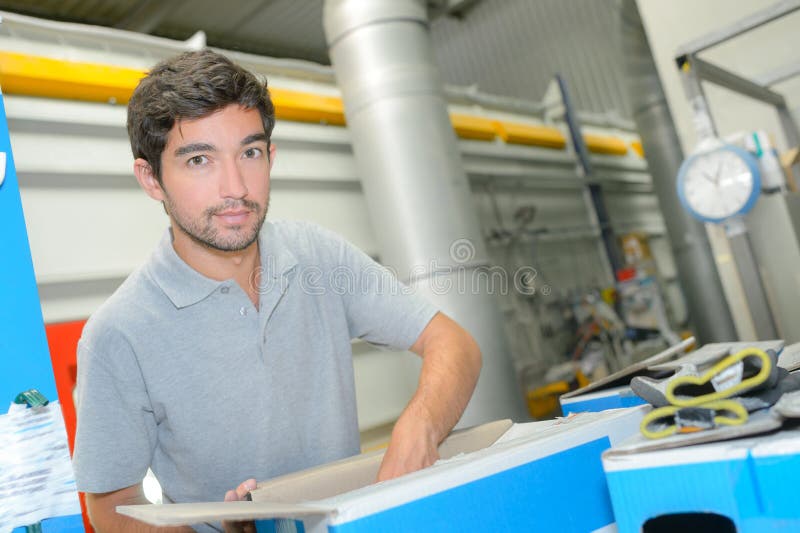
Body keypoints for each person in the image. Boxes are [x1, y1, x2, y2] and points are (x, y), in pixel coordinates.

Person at [72, 49, 482, 532]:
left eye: (250, 152)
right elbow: (112, 506)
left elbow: (456, 345)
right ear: (151, 179)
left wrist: (419, 429)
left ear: (271, 155)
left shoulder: (320, 256)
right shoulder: (118, 333)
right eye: (200, 159)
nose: (236, 187)